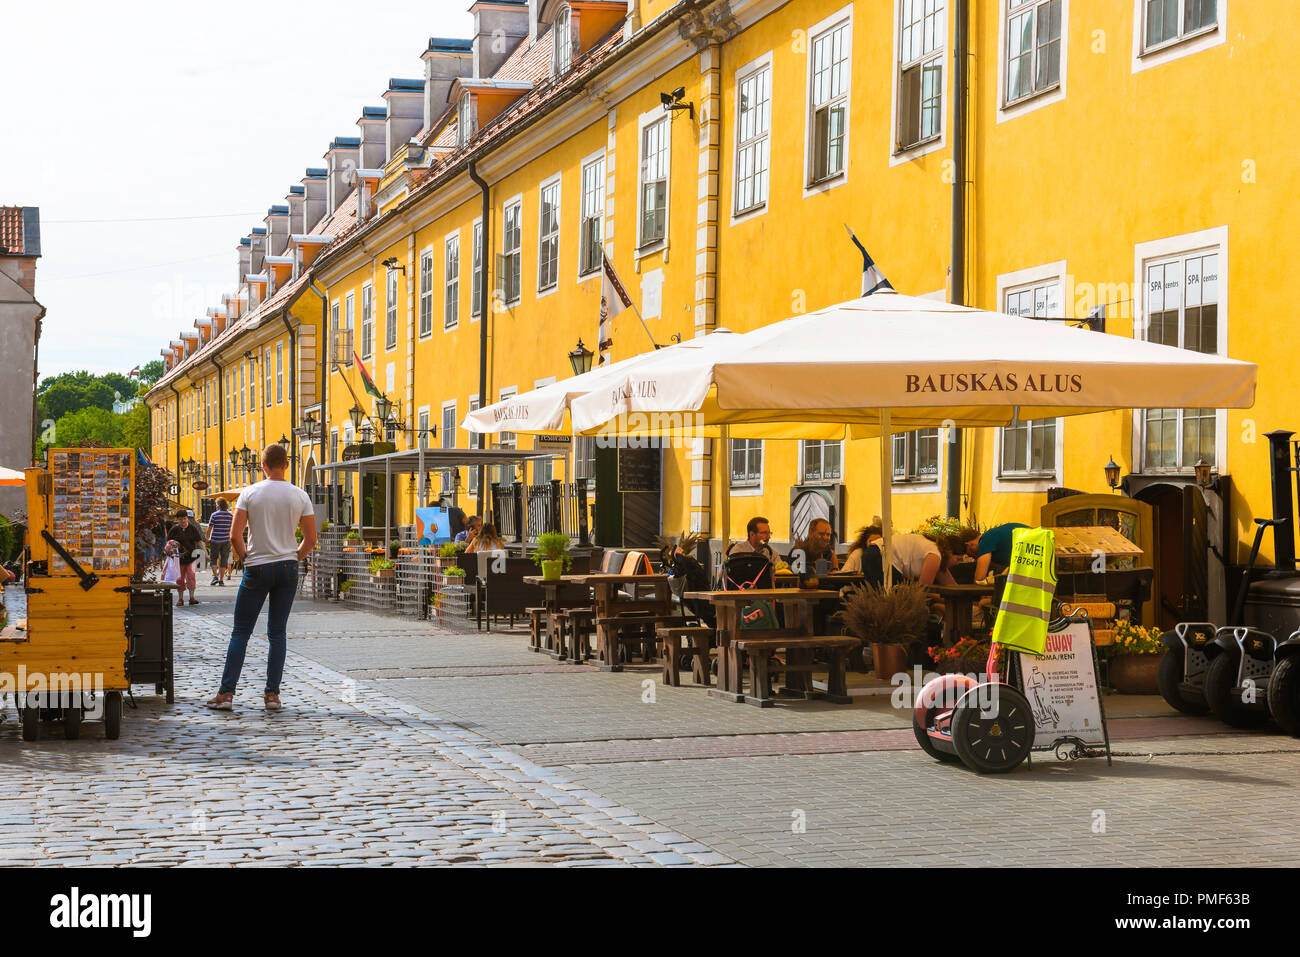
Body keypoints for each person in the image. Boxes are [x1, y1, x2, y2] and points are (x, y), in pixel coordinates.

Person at [206, 443, 317, 712]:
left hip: (257, 566)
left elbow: (235, 535)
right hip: (287, 566)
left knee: (241, 632)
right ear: (287, 464)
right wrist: (294, 557)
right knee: (277, 633)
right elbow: (311, 538)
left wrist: (247, 559)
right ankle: (272, 696)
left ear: (263, 466)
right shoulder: (300, 495)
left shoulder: (250, 493)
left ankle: (226, 694)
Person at [965, 522, 1030, 581]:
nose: (974, 558)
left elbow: (979, 578)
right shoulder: (993, 535)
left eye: (970, 554)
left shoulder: (985, 540)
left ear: (969, 545)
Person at [166, 509, 205, 606]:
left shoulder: (192, 528)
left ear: (187, 518)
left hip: (191, 557)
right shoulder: (174, 529)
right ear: (177, 520)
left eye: (184, 519)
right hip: (178, 559)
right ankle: (180, 599)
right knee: (180, 578)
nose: (183, 521)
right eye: (180, 519)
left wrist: (205, 553)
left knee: (191, 576)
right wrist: (172, 545)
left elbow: (199, 541)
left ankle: (192, 597)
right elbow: (168, 543)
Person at [206, 497, 234, 586]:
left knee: (213, 558)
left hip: (215, 540)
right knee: (224, 560)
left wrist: (207, 539)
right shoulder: (230, 515)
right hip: (226, 540)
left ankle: (215, 577)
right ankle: (221, 580)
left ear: (218, 505)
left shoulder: (214, 515)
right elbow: (232, 529)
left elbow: (209, 528)